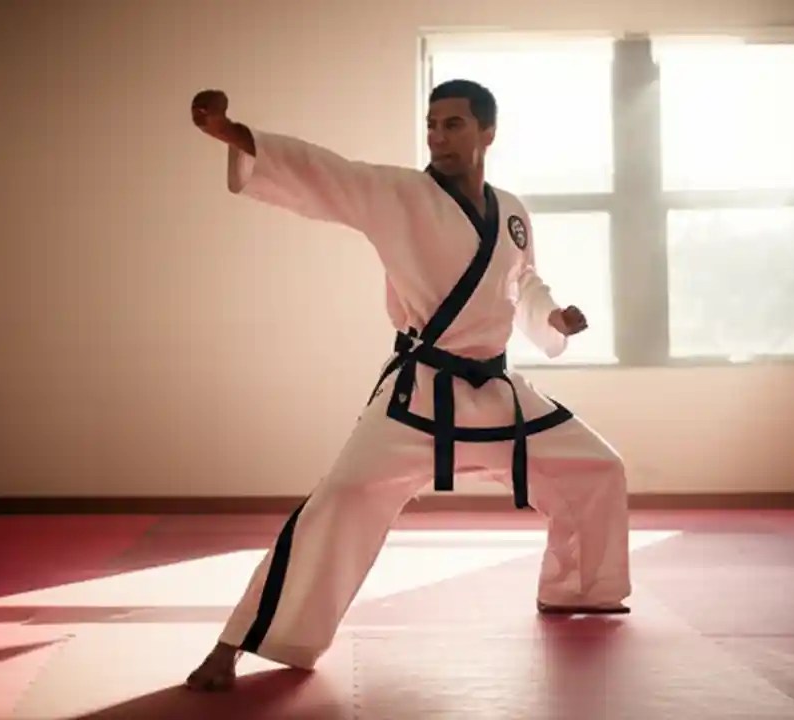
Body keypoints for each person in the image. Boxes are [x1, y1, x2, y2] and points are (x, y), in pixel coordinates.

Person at [184, 80, 632, 692]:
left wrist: (552, 318)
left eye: (453, 124)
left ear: (487, 133)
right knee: (337, 500)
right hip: (421, 390)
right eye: (432, 124)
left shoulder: (513, 212)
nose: (438, 136)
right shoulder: (397, 193)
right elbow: (328, 174)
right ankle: (239, 641)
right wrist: (236, 136)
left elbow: (522, 284)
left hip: (494, 386)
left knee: (597, 467)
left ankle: (578, 588)